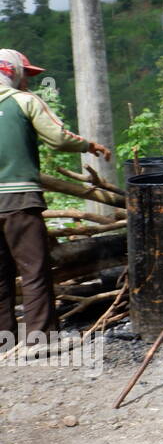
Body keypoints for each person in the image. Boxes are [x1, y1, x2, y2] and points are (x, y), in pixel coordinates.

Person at [0, 49, 111, 350]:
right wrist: (90, 145)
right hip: (19, 199)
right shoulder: (24, 101)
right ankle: (41, 340)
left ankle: (4, 342)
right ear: (12, 72)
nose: (28, 81)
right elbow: (59, 137)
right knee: (34, 269)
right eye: (25, 74)